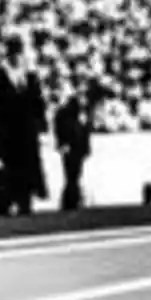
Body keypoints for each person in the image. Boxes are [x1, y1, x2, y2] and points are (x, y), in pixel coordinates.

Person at [0, 31, 49, 216]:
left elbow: (38, 104)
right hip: (8, 135)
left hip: (26, 135)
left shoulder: (29, 77)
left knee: (26, 173)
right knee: (6, 174)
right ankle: (4, 206)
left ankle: (25, 204)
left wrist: (40, 126)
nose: (16, 56)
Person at [54, 77, 94, 211]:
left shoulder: (85, 110)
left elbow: (86, 132)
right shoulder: (67, 110)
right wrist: (62, 143)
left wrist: (87, 148)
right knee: (71, 175)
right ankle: (70, 201)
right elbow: (59, 126)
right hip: (69, 146)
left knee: (76, 174)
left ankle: (72, 200)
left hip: (79, 147)